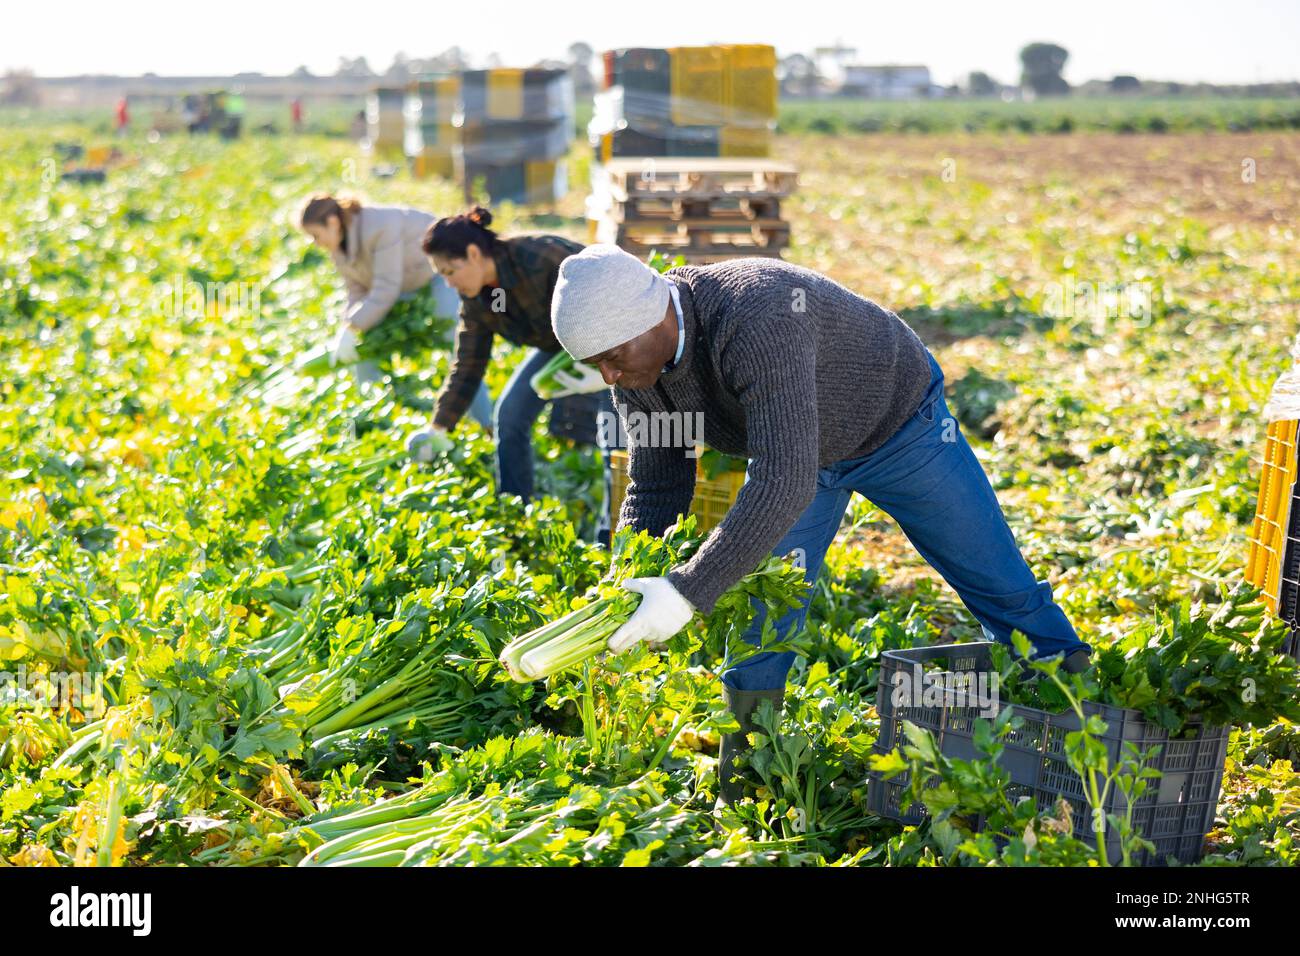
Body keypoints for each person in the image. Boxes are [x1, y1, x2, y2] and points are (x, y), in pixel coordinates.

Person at [549, 244, 1093, 803]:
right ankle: (749, 777)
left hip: (898, 426)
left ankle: (1087, 725)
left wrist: (687, 591)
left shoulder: (755, 313)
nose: (611, 375)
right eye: (596, 365)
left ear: (654, 314)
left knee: (996, 581)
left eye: (614, 355)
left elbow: (782, 481)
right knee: (764, 618)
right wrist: (628, 578)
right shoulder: (640, 380)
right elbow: (659, 487)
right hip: (798, 455)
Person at [414, 207, 616, 545]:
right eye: (442, 276)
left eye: (450, 271)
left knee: (615, 440)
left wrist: (604, 368)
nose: (448, 283)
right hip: (558, 349)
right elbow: (468, 363)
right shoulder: (480, 299)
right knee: (508, 416)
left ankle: (610, 539)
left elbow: (607, 292)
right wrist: (439, 426)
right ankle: (517, 515)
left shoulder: (540, 256)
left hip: (612, 342)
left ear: (474, 253)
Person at [297, 193, 492, 427]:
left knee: (459, 347)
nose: (315, 243)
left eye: (315, 235)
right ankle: (373, 423)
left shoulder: (379, 226)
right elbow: (357, 291)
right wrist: (348, 326)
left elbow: (386, 289)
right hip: (402, 284)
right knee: (362, 350)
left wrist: (353, 326)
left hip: (437, 276)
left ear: (332, 222)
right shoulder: (338, 247)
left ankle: (487, 423)